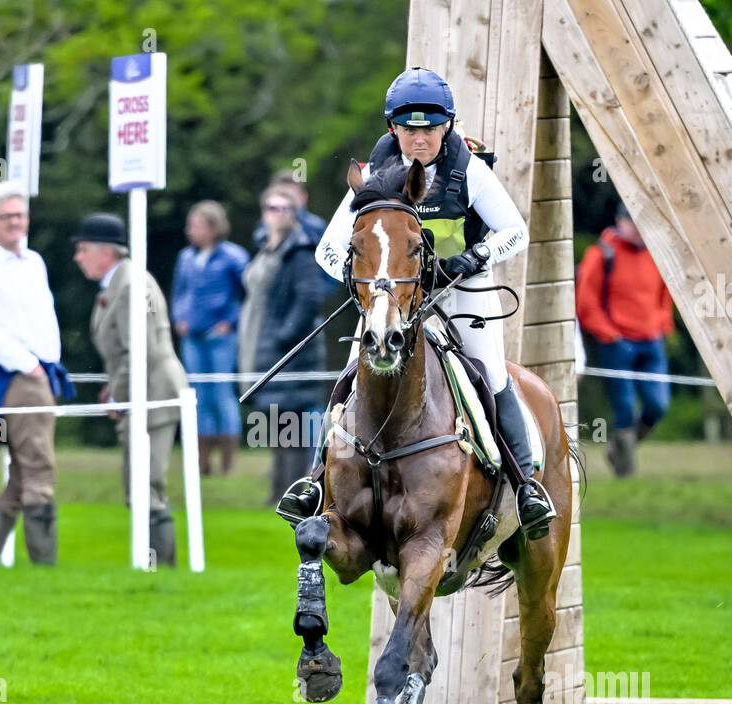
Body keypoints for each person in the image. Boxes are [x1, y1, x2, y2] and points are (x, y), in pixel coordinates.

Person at [279, 66, 556, 538]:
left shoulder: (468, 170)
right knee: (351, 374)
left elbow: (516, 232)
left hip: (459, 289)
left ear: (447, 125)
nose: (420, 138)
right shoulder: (371, 176)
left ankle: (525, 483)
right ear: (392, 128)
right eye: (409, 129)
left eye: (430, 128)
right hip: (396, 297)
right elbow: (328, 252)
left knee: (489, 373)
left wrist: (473, 257)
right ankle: (313, 481)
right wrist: (364, 279)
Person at [0, 182, 73, 566]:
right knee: (39, 467)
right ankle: (45, 564)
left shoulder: (35, 261)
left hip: (41, 373)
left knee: (22, 477)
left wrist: (46, 364)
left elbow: (44, 319)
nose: (15, 223)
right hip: (16, 377)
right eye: (7, 216)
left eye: (20, 215)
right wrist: (28, 365)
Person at [74, 212, 188, 566]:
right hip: (143, 392)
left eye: (82, 249)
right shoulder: (118, 283)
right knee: (139, 484)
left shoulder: (129, 284)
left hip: (153, 393)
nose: (77, 257)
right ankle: (152, 566)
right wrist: (116, 390)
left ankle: (158, 570)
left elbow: (142, 350)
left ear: (105, 252)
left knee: (148, 485)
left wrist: (117, 393)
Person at [575, 202, 673, 478]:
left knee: (658, 405)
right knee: (625, 409)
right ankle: (625, 472)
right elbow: (586, 303)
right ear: (620, 222)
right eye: (633, 223)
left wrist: (662, 323)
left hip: (651, 342)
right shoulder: (601, 254)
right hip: (616, 344)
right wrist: (611, 335)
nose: (638, 230)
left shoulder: (656, 253)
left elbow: (666, 292)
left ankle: (617, 451)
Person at [245, 186, 330, 505]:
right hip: (267, 343)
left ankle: (291, 494)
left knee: (292, 424)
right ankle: (278, 492)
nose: (275, 213)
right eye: (270, 207)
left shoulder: (300, 250)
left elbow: (310, 298)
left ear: (294, 213)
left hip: (294, 351)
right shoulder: (267, 247)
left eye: (283, 208)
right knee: (278, 422)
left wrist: (285, 337)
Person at [171, 200, 248, 475]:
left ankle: (227, 463)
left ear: (214, 228)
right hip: (192, 336)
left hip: (220, 336)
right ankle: (202, 462)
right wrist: (178, 317)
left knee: (222, 395)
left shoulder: (234, 257)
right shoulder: (186, 257)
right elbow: (180, 292)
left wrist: (231, 322)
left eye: (197, 225)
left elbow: (247, 295)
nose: (190, 231)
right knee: (198, 396)